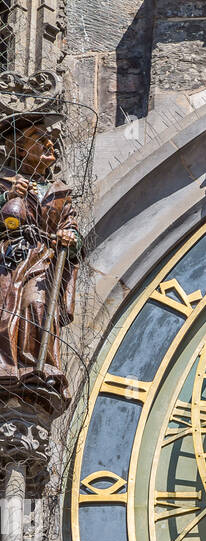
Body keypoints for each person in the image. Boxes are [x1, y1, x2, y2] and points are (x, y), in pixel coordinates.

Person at [0, 117, 80, 415]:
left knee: (37, 305)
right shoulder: (5, 180)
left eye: (50, 139)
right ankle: (8, 366)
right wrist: (9, 196)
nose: (49, 143)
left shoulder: (59, 191)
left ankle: (39, 366)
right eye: (38, 137)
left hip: (42, 261)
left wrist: (70, 237)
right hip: (9, 258)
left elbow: (73, 230)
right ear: (19, 148)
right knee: (6, 309)